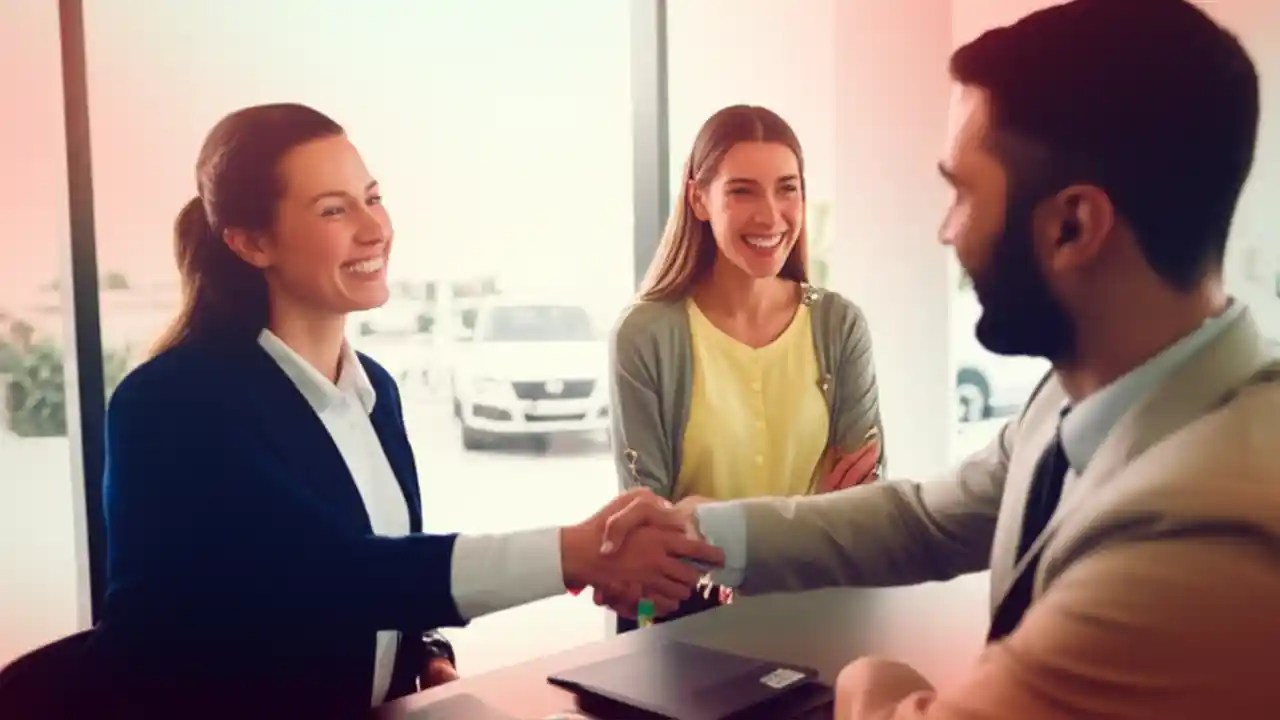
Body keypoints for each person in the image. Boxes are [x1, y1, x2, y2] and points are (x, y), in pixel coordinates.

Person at [600, 0, 1280, 717]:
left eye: (962, 193)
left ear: (1072, 226)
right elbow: (921, 519)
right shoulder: (1074, 403)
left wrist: (874, 684)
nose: (945, 232)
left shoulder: (1205, 529)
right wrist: (701, 531)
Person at [83, 103, 721, 719]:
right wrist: (578, 553)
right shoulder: (170, 405)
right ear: (251, 242)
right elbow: (328, 576)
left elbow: (392, 564)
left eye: (373, 196)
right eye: (334, 209)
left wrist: (426, 654)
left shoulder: (373, 391)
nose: (374, 228)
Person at [609, 105, 884, 629]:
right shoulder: (644, 334)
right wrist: (807, 524)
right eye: (742, 191)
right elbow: (651, 535)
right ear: (699, 199)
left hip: (817, 613)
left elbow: (865, 517)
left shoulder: (839, 325)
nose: (771, 215)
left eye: (787, 188)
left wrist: (703, 515)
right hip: (681, 624)